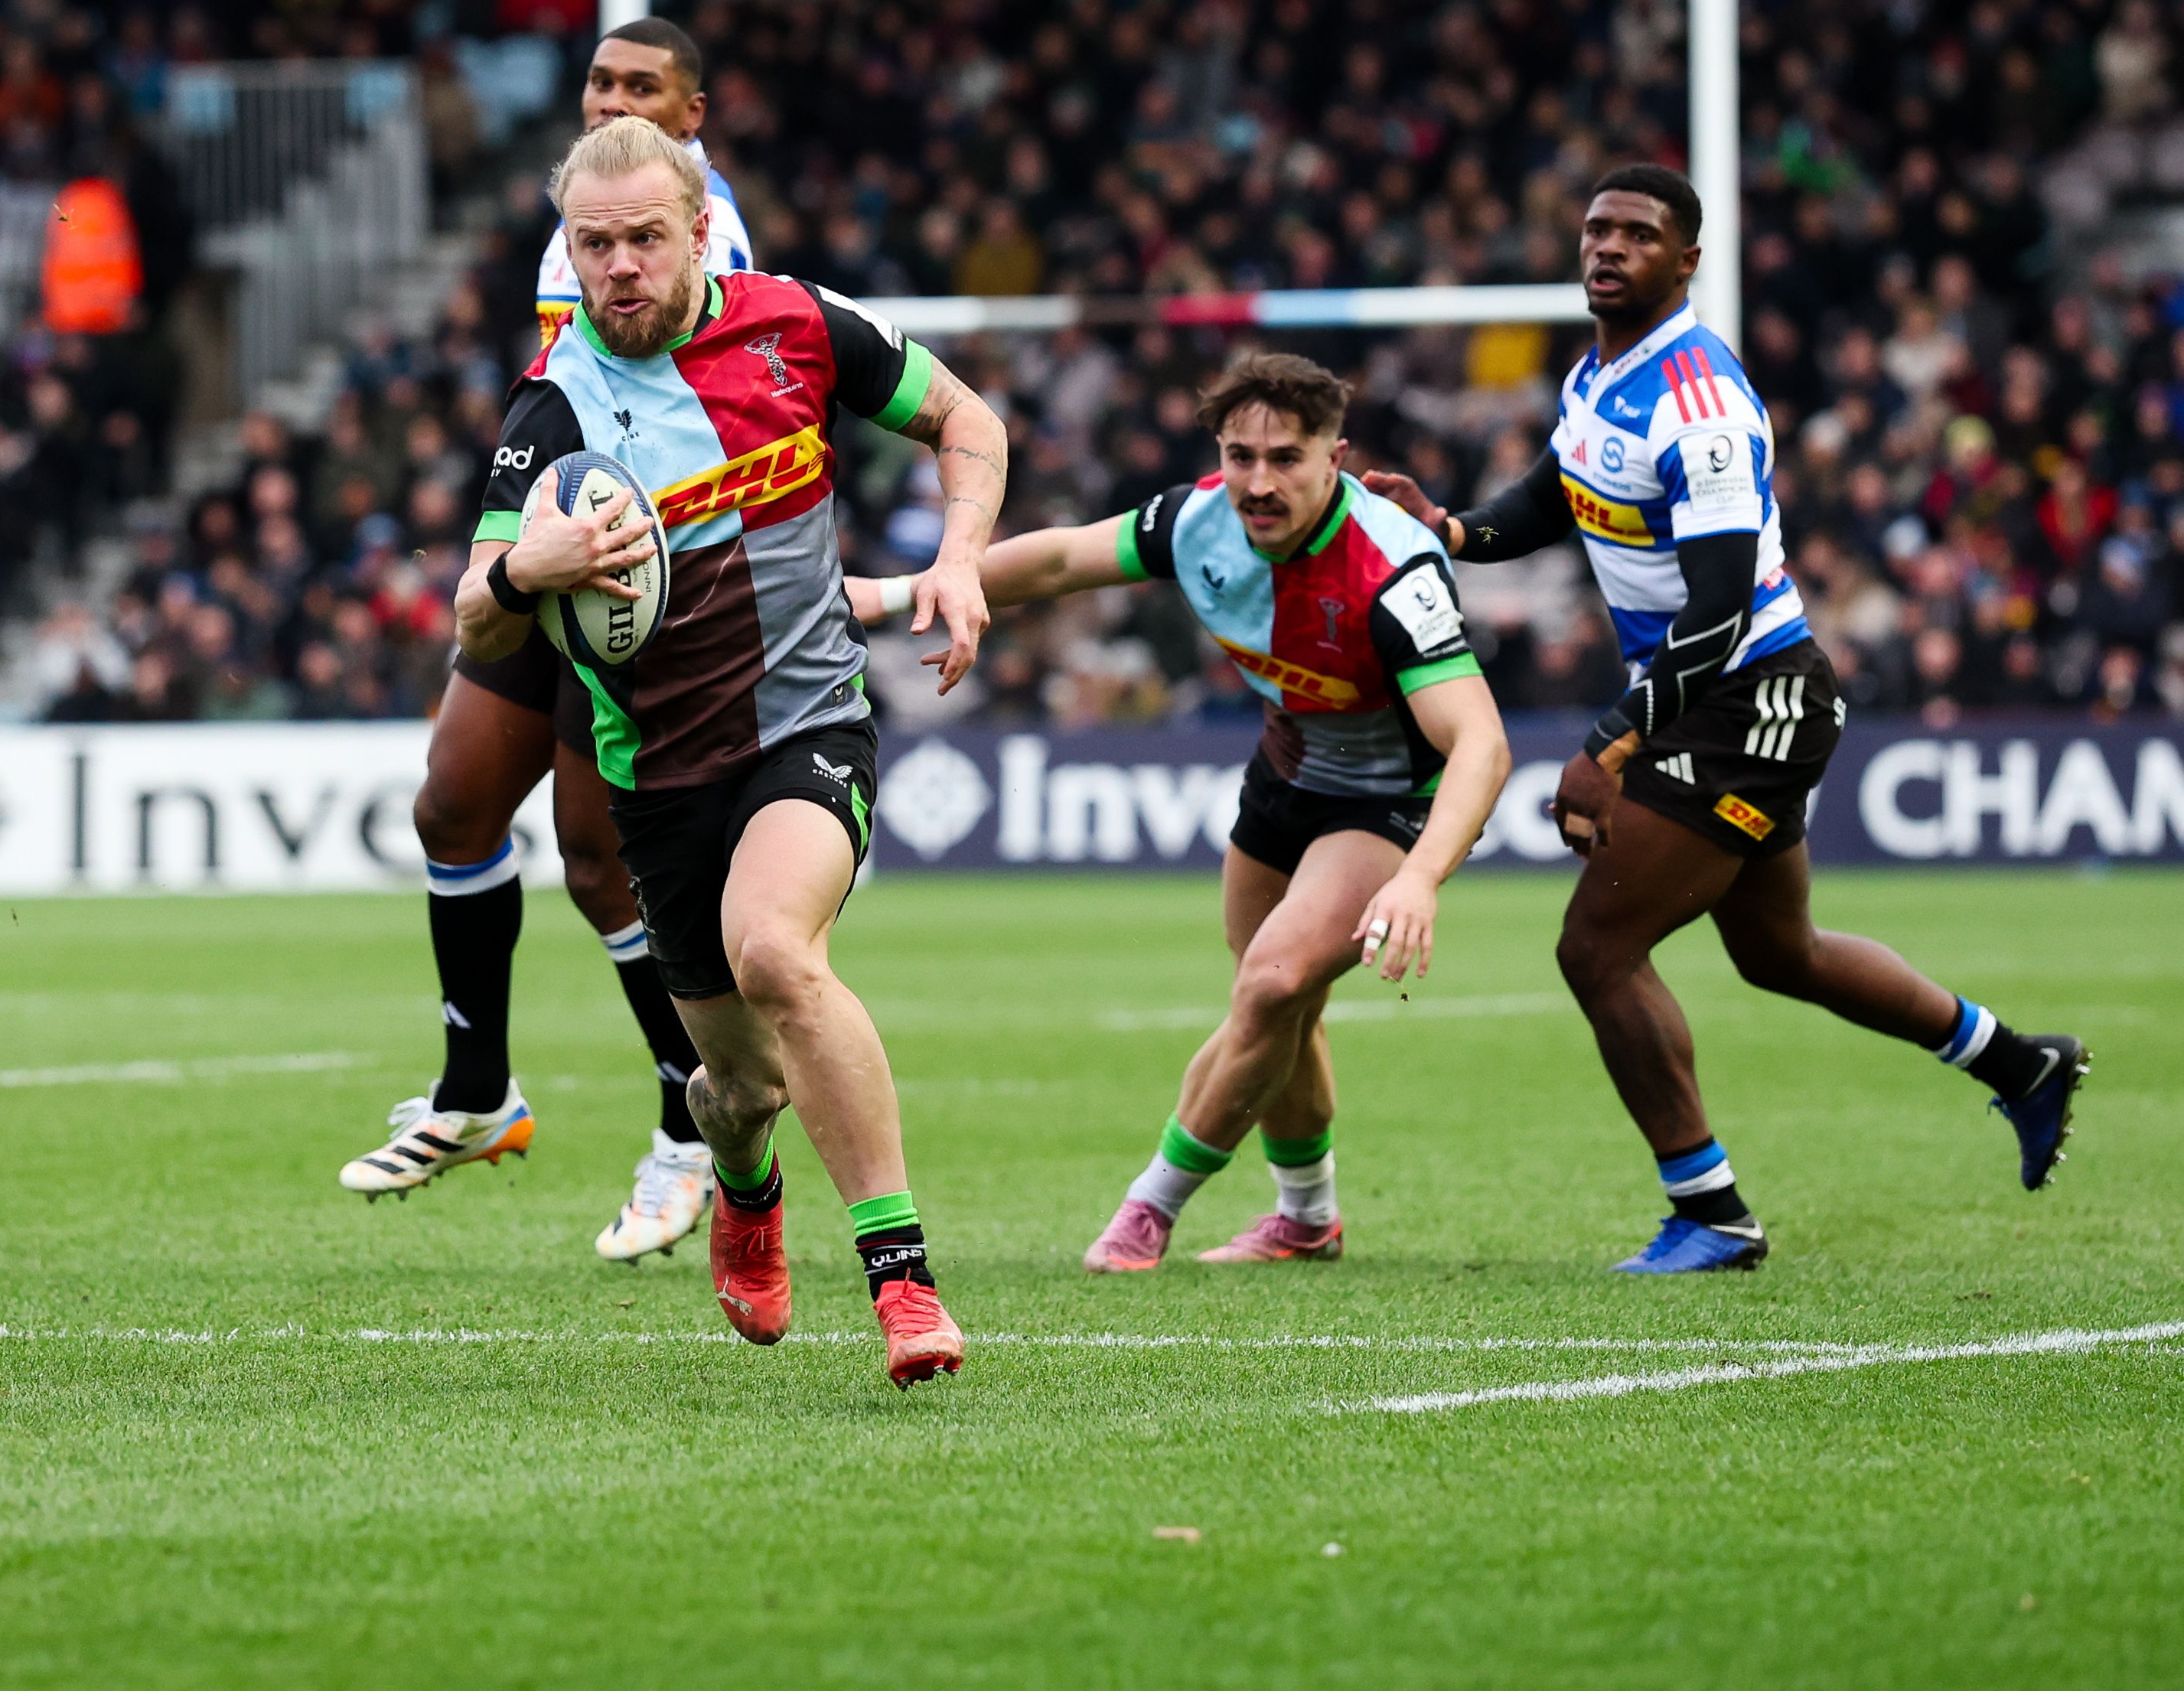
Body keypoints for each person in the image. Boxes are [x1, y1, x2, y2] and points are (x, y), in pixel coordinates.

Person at [1362, 164, 2086, 1274]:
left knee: (1596, 946)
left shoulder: (1698, 404)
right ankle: (2019, 1064)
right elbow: (1561, 492)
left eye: (1637, 234)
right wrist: (1455, 530)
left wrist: (1611, 738)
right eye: (1595, 229)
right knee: (1778, 952)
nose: (1605, 248)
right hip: (1728, 698)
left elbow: (1717, 603)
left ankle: (1711, 1211)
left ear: (1685, 261)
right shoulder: (1602, 371)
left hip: (1748, 696)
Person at [461, 115, 1006, 1386]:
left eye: (645, 237)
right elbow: (474, 610)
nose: (621, 267)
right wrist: (522, 566)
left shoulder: (800, 325)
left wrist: (963, 557)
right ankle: (745, 1185)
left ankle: (903, 1280)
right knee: (736, 1086)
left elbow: (968, 423)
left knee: (777, 949)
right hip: (658, 783)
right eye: (594, 245)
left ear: (700, 228)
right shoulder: (551, 409)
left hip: (807, 727)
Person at [853, 355, 1511, 1271]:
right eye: (1239, 455)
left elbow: (1480, 743)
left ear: (1336, 457)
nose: (1258, 481)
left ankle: (1147, 1211)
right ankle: (1307, 1217)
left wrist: (1418, 878)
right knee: (1276, 1007)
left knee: (1274, 986)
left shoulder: (1392, 570)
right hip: (1283, 775)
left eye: (1286, 457)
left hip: (1391, 800)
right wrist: (896, 596)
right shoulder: (1199, 517)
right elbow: (1057, 560)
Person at [344, 18, 760, 1265]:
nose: (610, 98)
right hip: (552, 536)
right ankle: (480, 1092)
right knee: (454, 803)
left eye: (642, 86)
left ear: (692, 115)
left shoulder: (705, 227)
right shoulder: (574, 214)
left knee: (599, 862)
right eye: (599, 80)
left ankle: (691, 1124)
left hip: (638, 567)